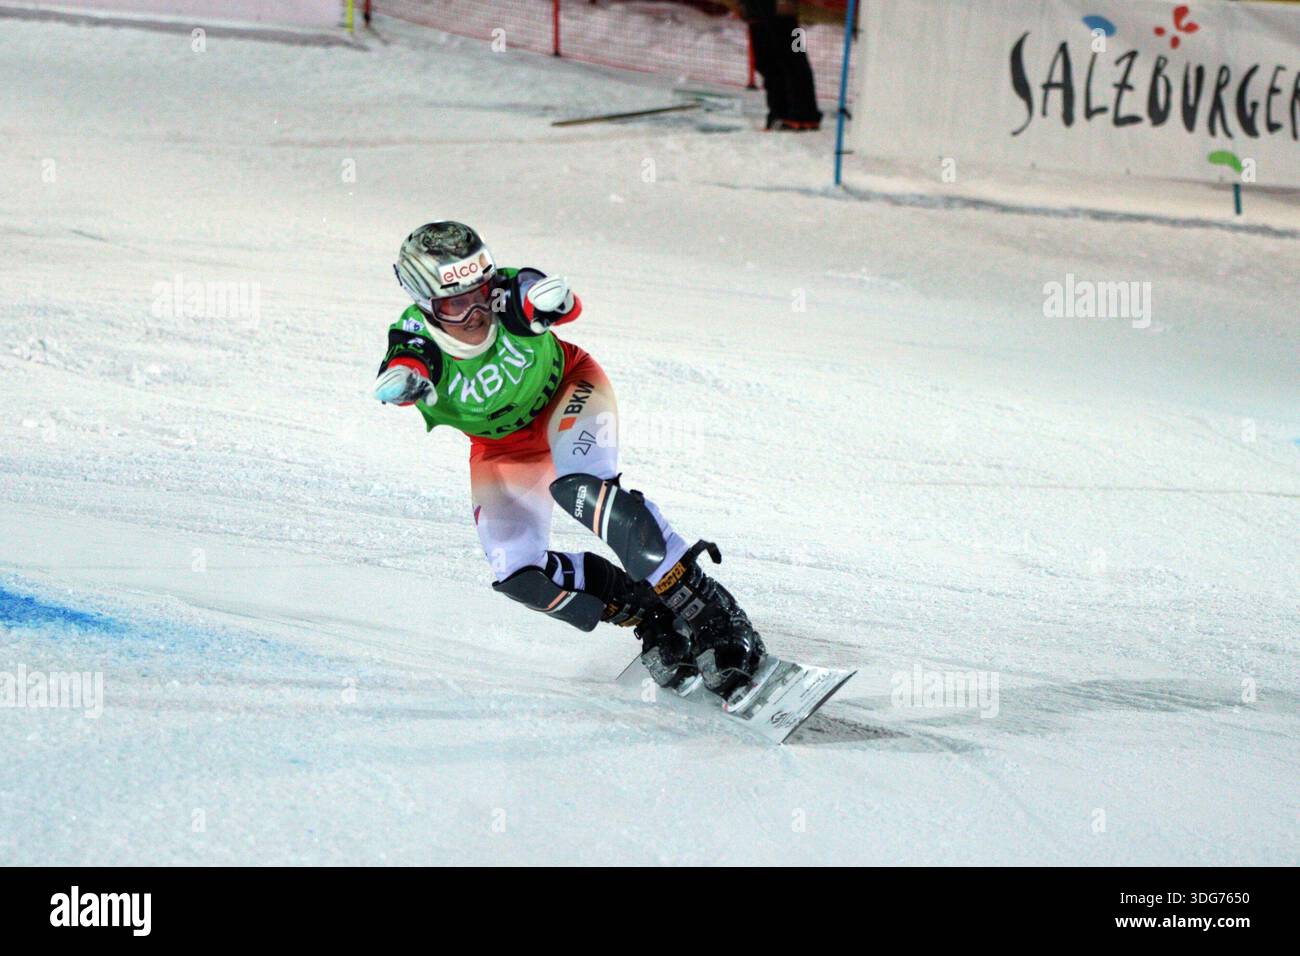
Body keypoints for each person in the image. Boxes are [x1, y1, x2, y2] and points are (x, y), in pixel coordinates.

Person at [372, 222, 765, 698]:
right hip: (502, 448)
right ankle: (651, 613)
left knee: (588, 493)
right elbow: (406, 361)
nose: (476, 312)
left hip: (568, 392)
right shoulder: (416, 336)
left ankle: (714, 615)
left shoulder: (507, 295)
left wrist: (550, 300)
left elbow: (551, 300)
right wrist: (405, 381)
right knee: (521, 575)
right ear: (424, 303)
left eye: (481, 293)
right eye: (456, 305)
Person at [743, 0, 823, 131]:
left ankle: (804, 116)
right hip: (756, 10)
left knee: (794, 58)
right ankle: (779, 114)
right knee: (765, 62)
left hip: (783, 12)